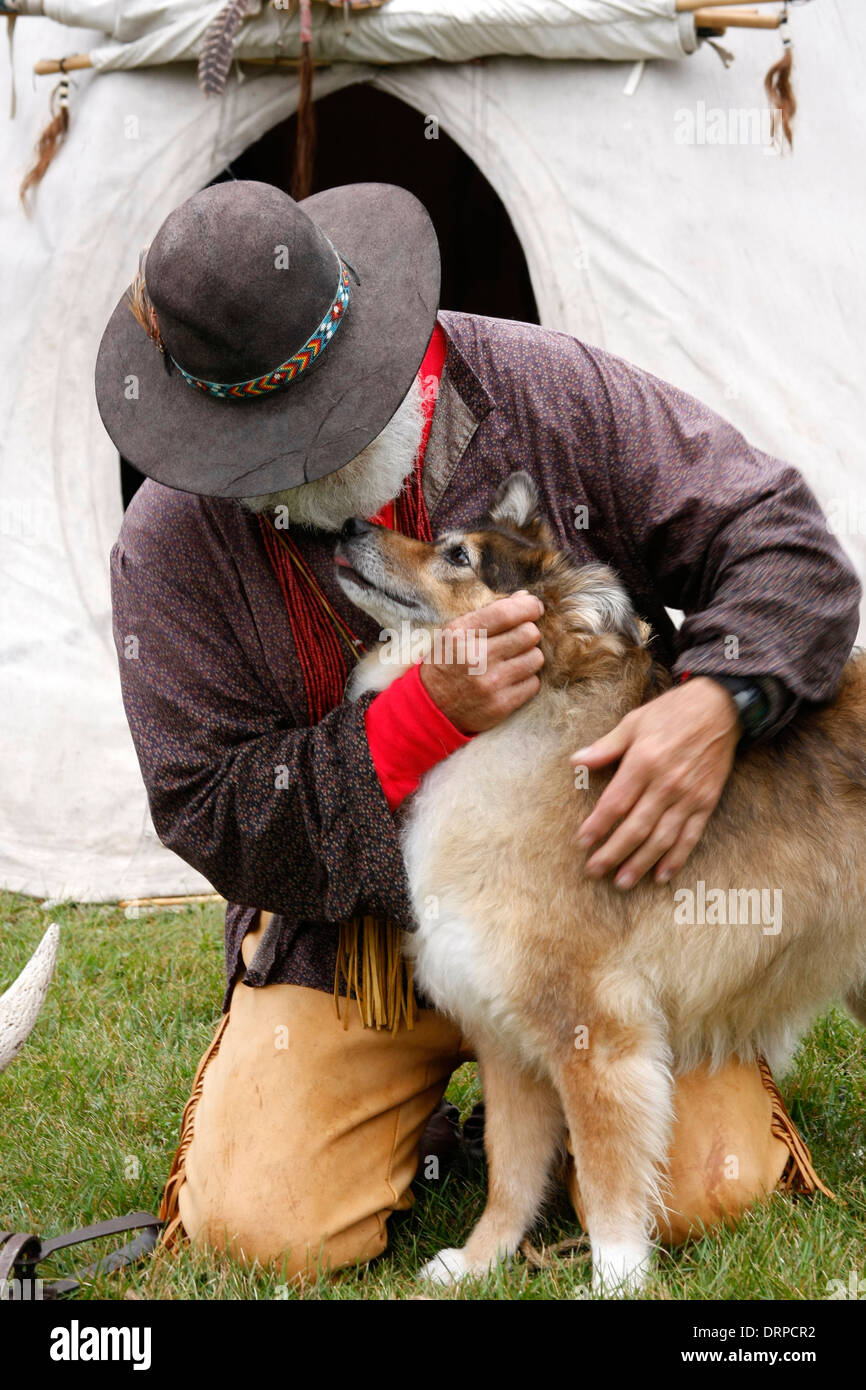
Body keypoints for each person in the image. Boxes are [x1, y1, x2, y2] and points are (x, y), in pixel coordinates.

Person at [97, 179, 859, 1279]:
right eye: (260, 449)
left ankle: (582, 1126)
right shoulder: (167, 549)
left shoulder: (551, 391)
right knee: (264, 1224)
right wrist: (410, 723)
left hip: (610, 913)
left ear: (372, 339)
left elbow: (779, 541)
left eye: (323, 418)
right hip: (358, 945)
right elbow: (207, 804)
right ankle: (455, 1133)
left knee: (709, 1189)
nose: (300, 461)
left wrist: (713, 703)